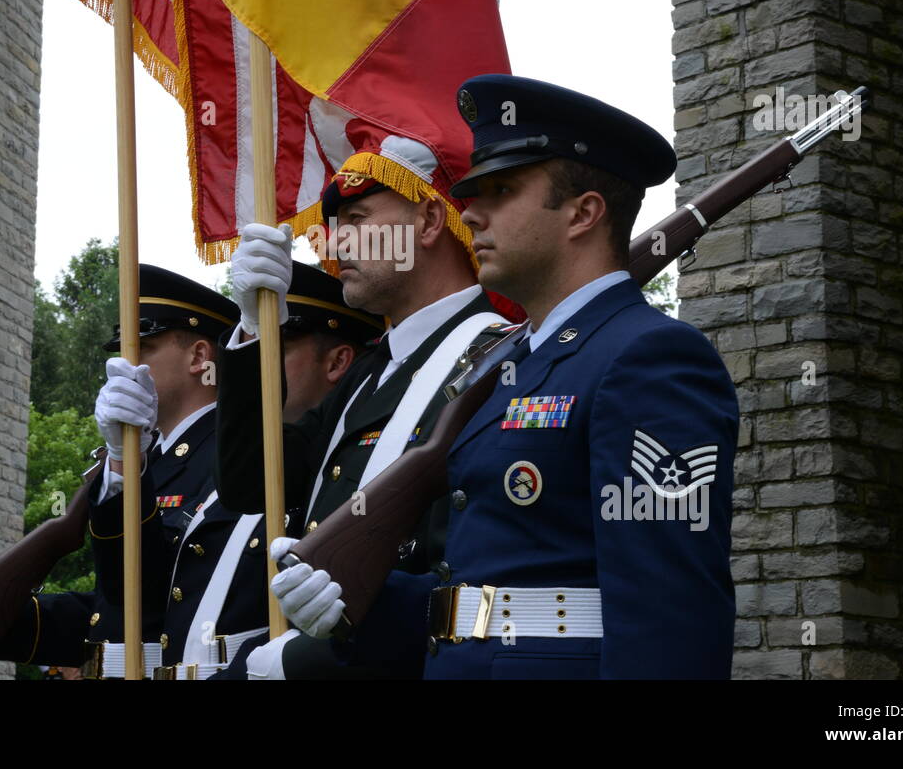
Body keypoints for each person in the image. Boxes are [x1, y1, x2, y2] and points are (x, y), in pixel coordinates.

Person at [271, 74, 740, 679]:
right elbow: (484, 598)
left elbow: (670, 615)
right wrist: (354, 604)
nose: (470, 211)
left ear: (583, 213)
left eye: (501, 190)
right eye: (472, 192)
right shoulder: (509, 365)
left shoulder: (650, 358)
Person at [217, 135, 509, 679]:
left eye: (356, 218)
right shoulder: (370, 371)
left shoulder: (499, 354)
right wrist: (258, 331)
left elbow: (466, 569)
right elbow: (250, 483)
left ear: (427, 222)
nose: (334, 243)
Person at [0, 265, 236, 675]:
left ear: (200, 357)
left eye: (143, 349)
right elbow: (110, 605)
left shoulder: (233, 456)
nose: (125, 366)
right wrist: (5, 619)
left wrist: (125, 465)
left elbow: (161, 595)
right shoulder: (149, 459)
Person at [153, 262, 382, 679]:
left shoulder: (340, 467)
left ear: (337, 363)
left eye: (279, 347)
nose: (265, 362)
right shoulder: (242, 463)